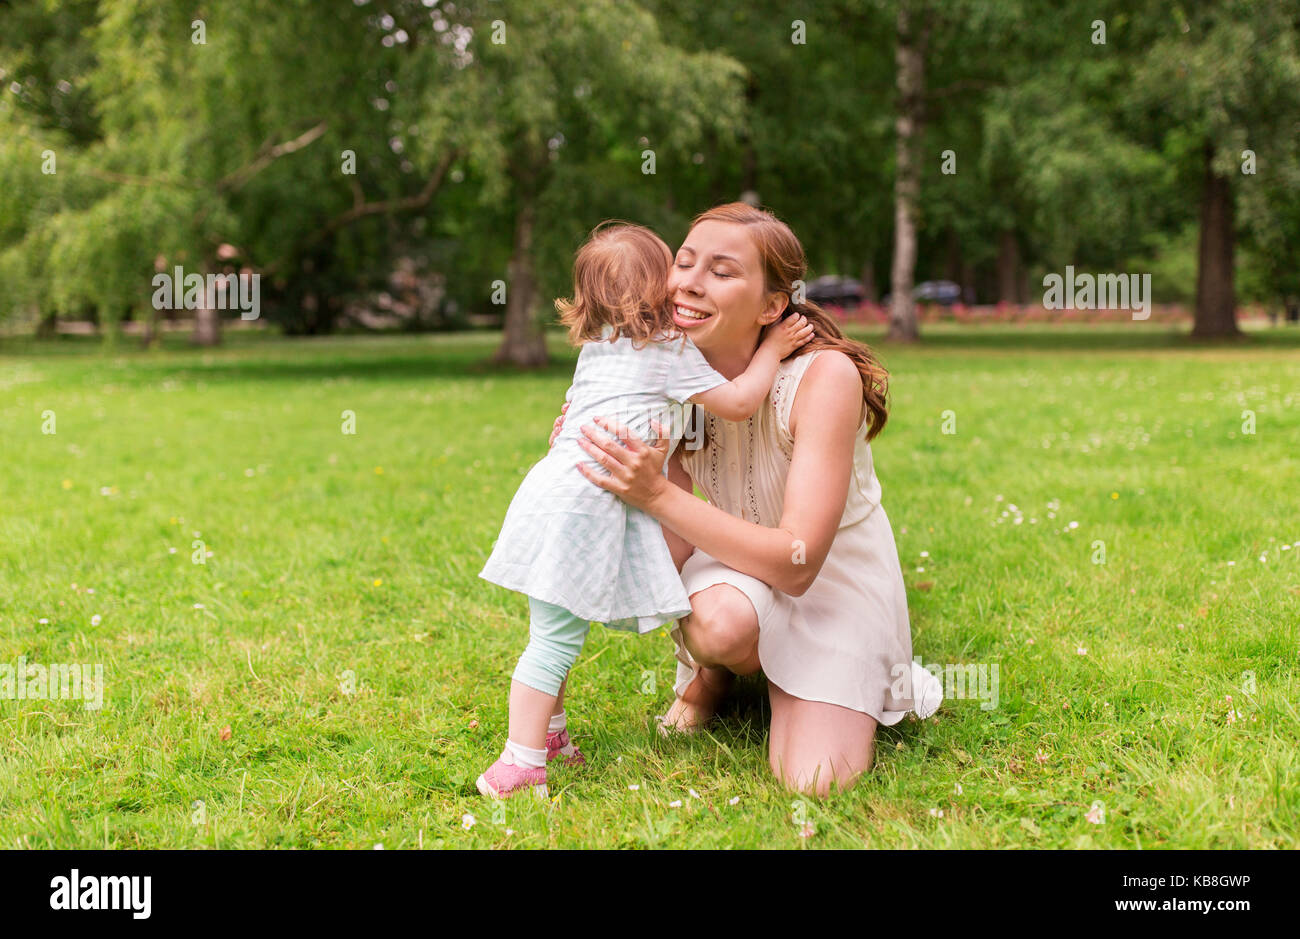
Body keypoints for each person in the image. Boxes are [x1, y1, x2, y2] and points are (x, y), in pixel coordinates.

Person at [564, 202, 942, 797]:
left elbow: (798, 564)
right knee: (717, 627)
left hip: (828, 581)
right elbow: (674, 546)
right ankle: (712, 675)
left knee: (816, 781)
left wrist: (655, 492)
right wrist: (587, 470)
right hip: (732, 573)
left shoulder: (823, 378)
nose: (688, 281)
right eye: (683, 263)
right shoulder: (666, 384)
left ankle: (800, 677)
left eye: (721, 270)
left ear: (772, 305)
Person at [475, 221, 813, 798]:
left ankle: (550, 736)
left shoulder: (600, 346)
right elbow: (735, 403)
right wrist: (776, 348)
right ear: (649, 289)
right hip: (587, 505)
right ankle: (519, 763)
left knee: (553, 628)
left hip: (552, 492)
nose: (682, 282)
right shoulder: (668, 351)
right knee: (553, 642)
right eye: (673, 268)